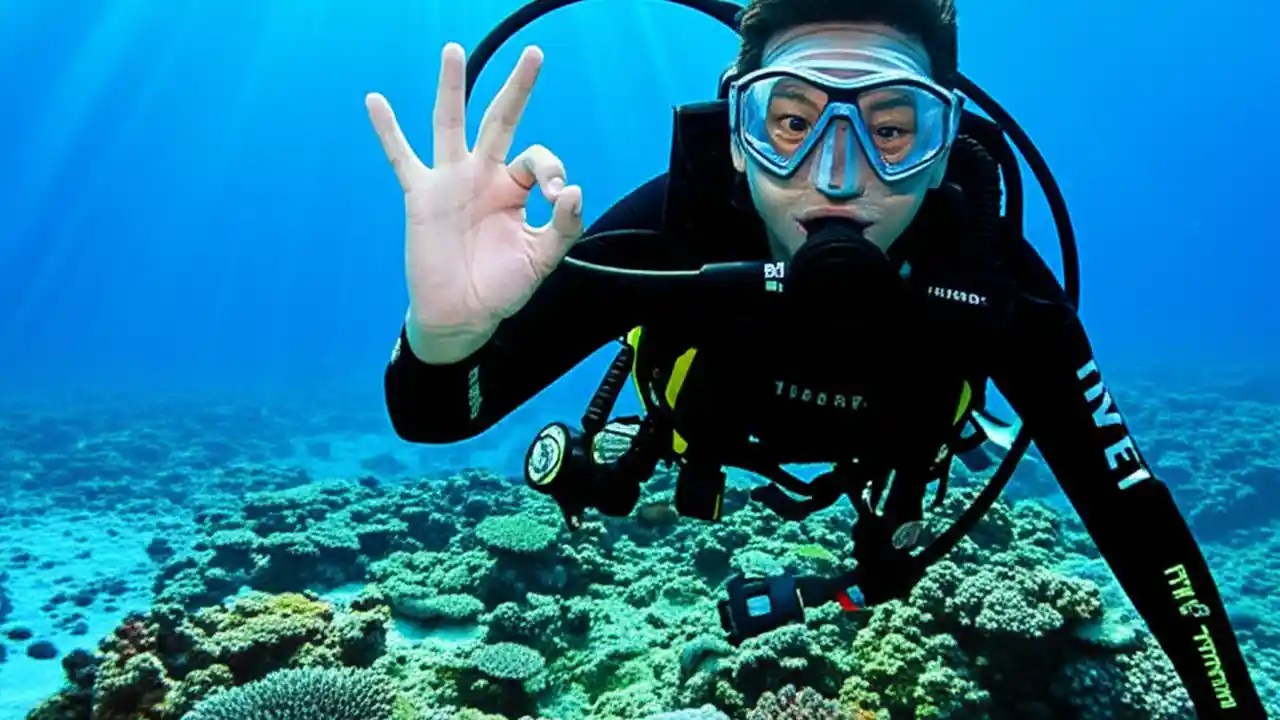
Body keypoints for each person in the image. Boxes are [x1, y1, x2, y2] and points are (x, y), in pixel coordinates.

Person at [367, 0, 1266, 715]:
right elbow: (438, 415)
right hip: (693, 440)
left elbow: (1135, 517)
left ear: (946, 142)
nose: (839, 176)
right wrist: (444, 340)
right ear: (735, 131)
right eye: (789, 122)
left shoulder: (995, 284)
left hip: (896, 462)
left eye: (892, 127)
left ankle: (969, 430)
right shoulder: (671, 231)